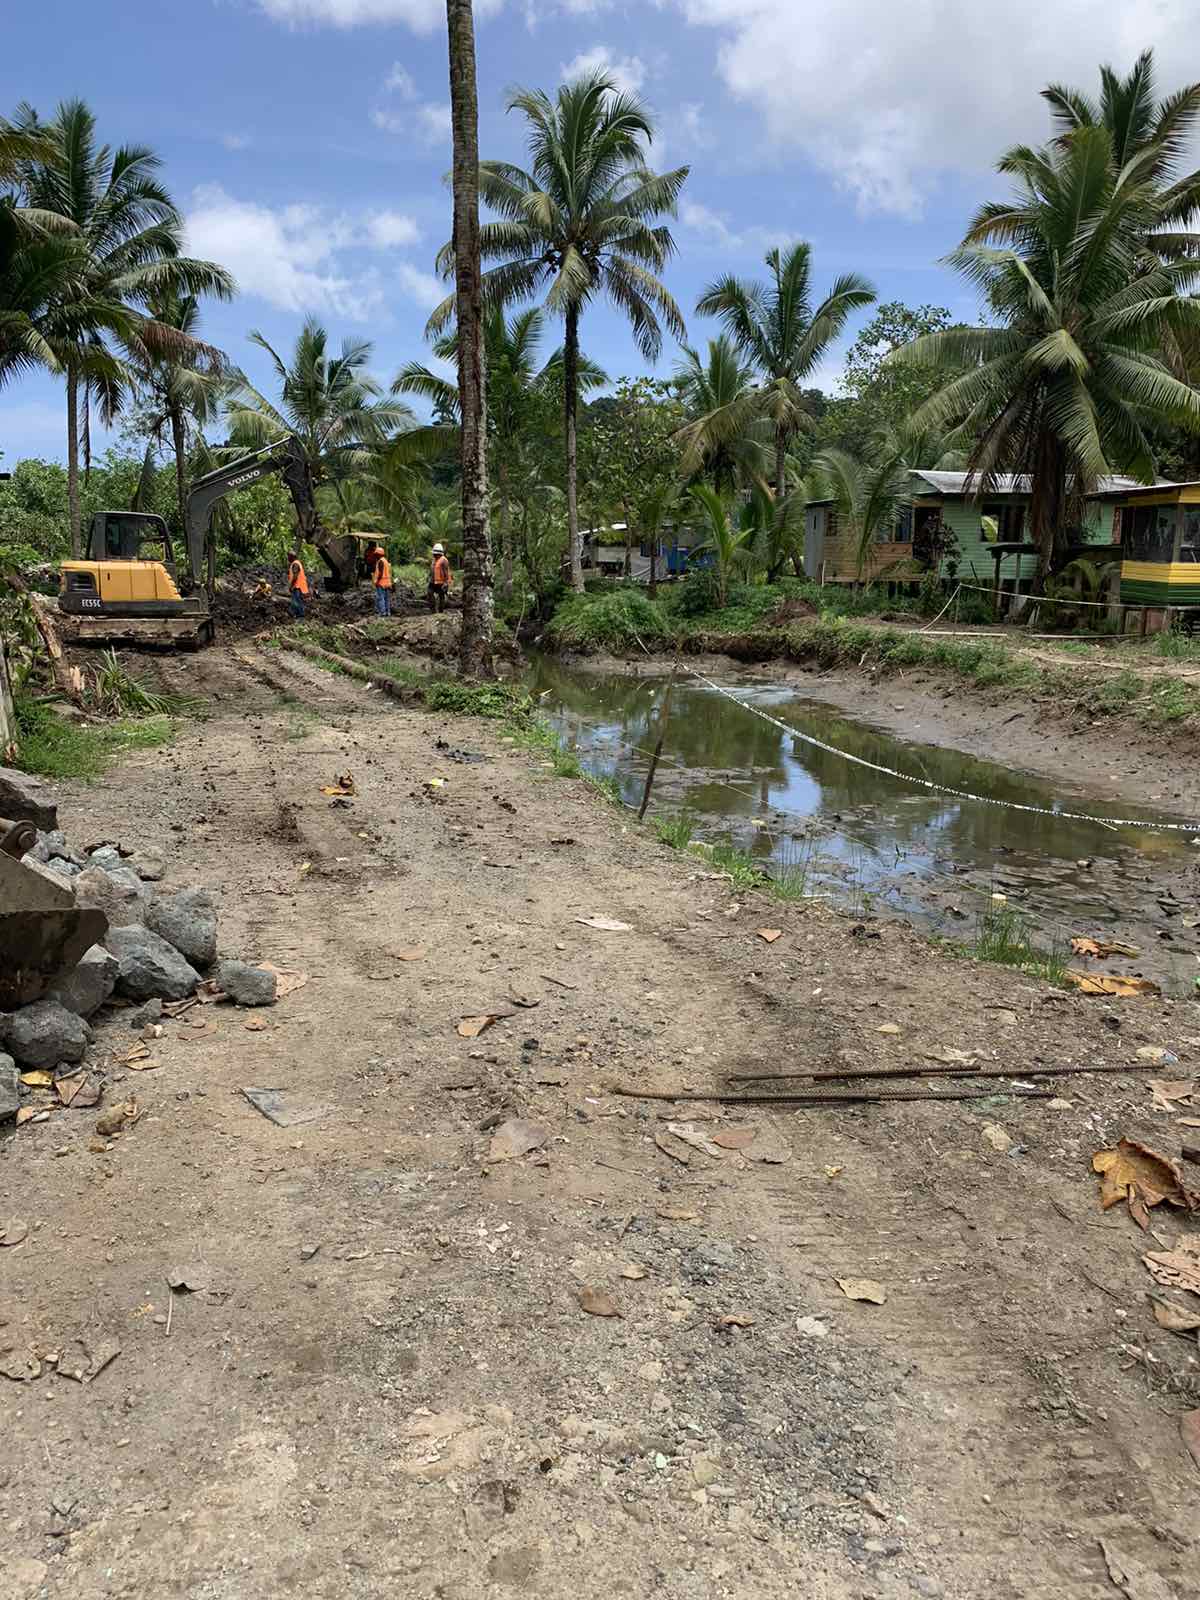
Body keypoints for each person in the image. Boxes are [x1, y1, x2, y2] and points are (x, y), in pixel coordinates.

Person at [428, 542, 452, 613]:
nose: (434, 554)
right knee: (429, 593)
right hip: (433, 582)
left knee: (441, 597)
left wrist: (446, 583)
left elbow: (446, 572)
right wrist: (429, 577)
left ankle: (441, 611)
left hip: (441, 582)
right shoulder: (434, 560)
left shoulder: (444, 560)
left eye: (435, 553)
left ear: (439, 553)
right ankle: (433, 611)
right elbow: (432, 570)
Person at [287, 550, 308, 619]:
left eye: (288, 557)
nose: (288, 558)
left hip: (297, 586)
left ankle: (300, 617)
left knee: (297, 602)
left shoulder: (295, 564)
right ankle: (294, 614)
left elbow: (295, 576)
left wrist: (291, 586)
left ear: (292, 557)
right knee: (296, 601)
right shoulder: (297, 563)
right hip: (299, 586)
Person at [373, 548, 393, 617]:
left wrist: (377, 581)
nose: (375, 556)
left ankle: (382, 613)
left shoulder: (380, 561)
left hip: (381, 583)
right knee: (386, 598)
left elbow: (380, 573)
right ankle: (388, 612)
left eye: (376, 554)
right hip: (387, 583)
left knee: (380, 598)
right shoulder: (386, 561)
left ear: (379, 554)